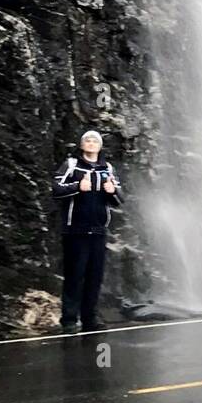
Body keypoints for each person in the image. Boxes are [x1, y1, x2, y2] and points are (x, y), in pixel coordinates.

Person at [52, 129, 124, 332]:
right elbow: (56, 190)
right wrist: (77, 186)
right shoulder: (72, 165)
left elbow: (119, 199)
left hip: (99, 230)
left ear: (100, 146)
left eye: (95, 140)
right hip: (75, 230)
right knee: (75, 275)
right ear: (82, 145)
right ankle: (68, 320)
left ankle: (90, 318)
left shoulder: (107, 169)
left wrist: (112, 191)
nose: (91, 143)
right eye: (87, 140)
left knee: (95, 276)